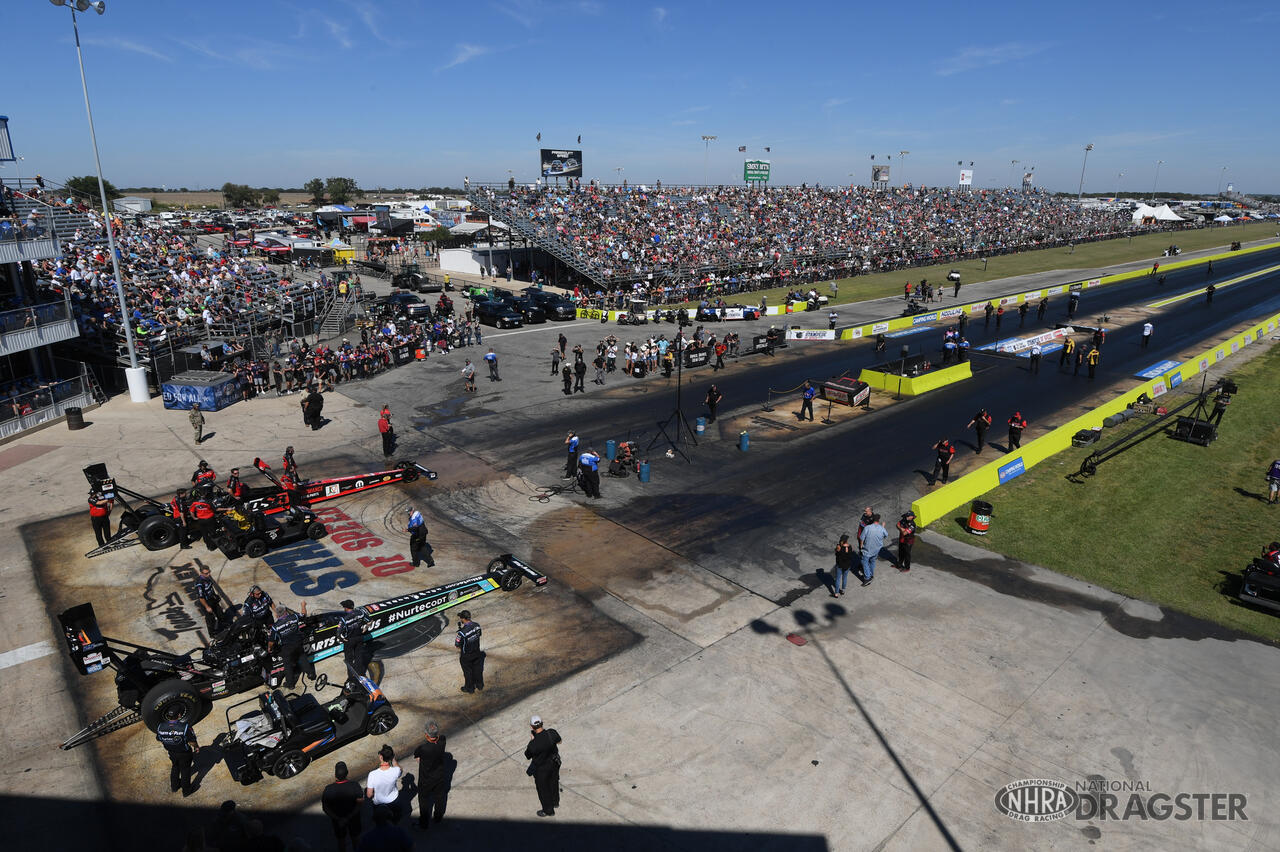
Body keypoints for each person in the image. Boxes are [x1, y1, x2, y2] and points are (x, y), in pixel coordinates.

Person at [524, 716, 563, 817]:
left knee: (543, 789)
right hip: (554, 763)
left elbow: (528, 755)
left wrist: (532, 741)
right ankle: (555, 802)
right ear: (542, 723)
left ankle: (548, 810)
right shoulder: (551, 733)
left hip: (542, 769)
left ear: (532, 727)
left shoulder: (533, 745)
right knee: (554, 782)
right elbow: (559, 741)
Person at [322, 761, 364, 852]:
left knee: (341, 841)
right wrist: (348, 817)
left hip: (338, 822)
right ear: (347, 773)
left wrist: (339, 819)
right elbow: (360, 803)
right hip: (353, 819)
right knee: (355, 839)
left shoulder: (329, 789)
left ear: (335, 775)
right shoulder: (355, 785)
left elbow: (325, 808)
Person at [413, 722, 449, 829]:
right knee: (440, 797)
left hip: (426, 779)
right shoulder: (442, 741)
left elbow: (417, 757)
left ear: (426, 735)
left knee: (423, 800)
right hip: (439, 777)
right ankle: (438, 817)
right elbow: (441, 737)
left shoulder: (423, 748)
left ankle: (424, 823)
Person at [268, 603, 312, 689]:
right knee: (302, 657)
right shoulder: (294, 617)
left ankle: (290, 684)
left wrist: (269, 648)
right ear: (285, 612)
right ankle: (311, 674)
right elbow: (303, 614)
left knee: (287, 665)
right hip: (298, 643)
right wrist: (303, 605)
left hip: (287, 648)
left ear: (276, 615)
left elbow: (271, 641)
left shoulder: (275, 627)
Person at [156, 718, 200, 796]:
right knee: (185, 770)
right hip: (184, 753)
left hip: (171, 752)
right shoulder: (185, 727)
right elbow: (192, 741)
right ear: (179, 715)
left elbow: (159, 738)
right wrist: (196, 747)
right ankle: (186, 791)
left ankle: (174, 786)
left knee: (175, 767)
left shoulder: (161, 726)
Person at [364, 746, 403, 823]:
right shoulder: (396, 771)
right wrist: (394, 760)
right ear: (391, 757)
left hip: (379, 803)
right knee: (395, 820)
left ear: (381, 757)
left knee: (381, 822)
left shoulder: (372, 774)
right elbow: (400, 770)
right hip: (394, 801)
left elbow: (369, 795)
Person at [454, 610, 483, 693]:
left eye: (461, 618)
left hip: (467, 656)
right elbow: (479, 634)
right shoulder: (477, 625)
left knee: (468, 672)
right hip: (477, 652)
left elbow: (457, 645)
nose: (460, 620)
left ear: (463, 619)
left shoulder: (462, 633)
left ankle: (470, 688)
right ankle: (480, 685)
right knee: (478, 669)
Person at [338, 599, 370, 673]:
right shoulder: (360, 613)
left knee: (349, 659)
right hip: (359, 637)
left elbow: (338, 633)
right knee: (358, 656)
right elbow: (370, 621)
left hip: (349, 640)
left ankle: (351, 676)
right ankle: (360, 673)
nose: (344, 608)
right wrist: (365, 628)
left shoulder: (343, 619)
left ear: (346, 608)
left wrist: (342, 639)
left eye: (344, 607)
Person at [194, 565, 226, 636]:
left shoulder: (207, 578)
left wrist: (215, 596)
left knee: (220, 613)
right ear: (201, 573)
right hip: (205, 602)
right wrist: (207, 607)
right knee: (210, 619)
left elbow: (211, 588)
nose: (209, 574)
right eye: (206, 573)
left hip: (212, 599)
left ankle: (224, 627)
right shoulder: (199, 583)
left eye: (209, 572)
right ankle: (213, 633)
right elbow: (201, 597)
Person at [859, 513, 887, 587]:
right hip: (876, 549)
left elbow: (862, 538)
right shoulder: (881, 528)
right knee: (872, 561)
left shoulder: (867, 528)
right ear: (879, 520)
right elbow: (885, 535)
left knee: (864, 562)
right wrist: (883, 527)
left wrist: (861, 545)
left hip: (867, 549)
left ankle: (867, 578)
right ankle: (871, 574)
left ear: (872, 519)